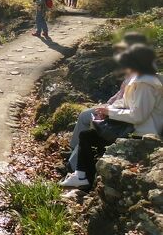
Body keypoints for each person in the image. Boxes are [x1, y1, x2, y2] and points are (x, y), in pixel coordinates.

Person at [61, 45, 163, 188]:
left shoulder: (145, 84)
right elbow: (129, 103)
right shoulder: (142, 80)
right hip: (135, 128)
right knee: (87, 135)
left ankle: (81, 176)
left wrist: (110, 112)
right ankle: (81, 175)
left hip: (141, 133)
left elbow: (138, 115)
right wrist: (107, 109)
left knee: (88, 136)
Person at [67, 32, 149, 169]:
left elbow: (134, 108)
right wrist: (107, 106)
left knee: (92, 125)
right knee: (84, 116)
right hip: (117, 110)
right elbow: (119, 95)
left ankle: (74, 166)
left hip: (126, 119)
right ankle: (72, 151)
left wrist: (109, 111)